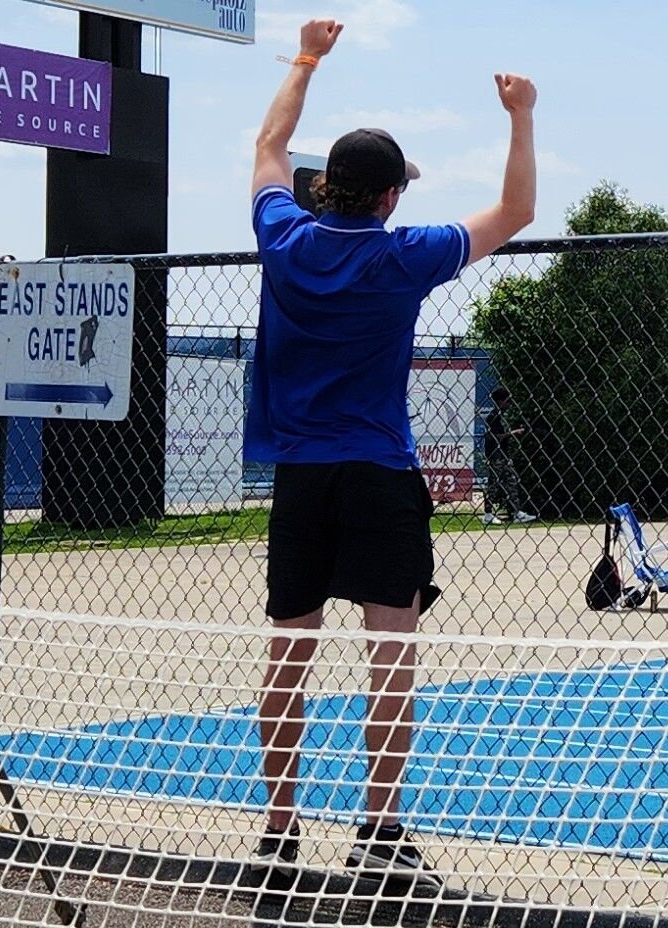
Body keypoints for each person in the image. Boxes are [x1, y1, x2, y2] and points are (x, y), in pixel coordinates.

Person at [245, 17, 537, 885]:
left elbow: (268, 141)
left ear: (324, 186)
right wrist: (520, 115)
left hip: (301, 476)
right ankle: (378, 827)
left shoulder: (284, 239)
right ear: (387, 199)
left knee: (289, 653)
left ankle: (277, 826)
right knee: (390, 654)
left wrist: (307, 58)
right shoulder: (404, 256)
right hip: (376, 471)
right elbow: (517, 210)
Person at [481, 386, 536, 524]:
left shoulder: (501, 417)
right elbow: (494, 437)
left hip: (504, 455)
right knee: (494, 483)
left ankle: (517, 512)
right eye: (507, 401)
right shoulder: (493, 417)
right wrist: (511, 433)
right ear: (500, 401)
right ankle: (488, 514)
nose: (509, 404)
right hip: (495, 455)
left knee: (512, 481)